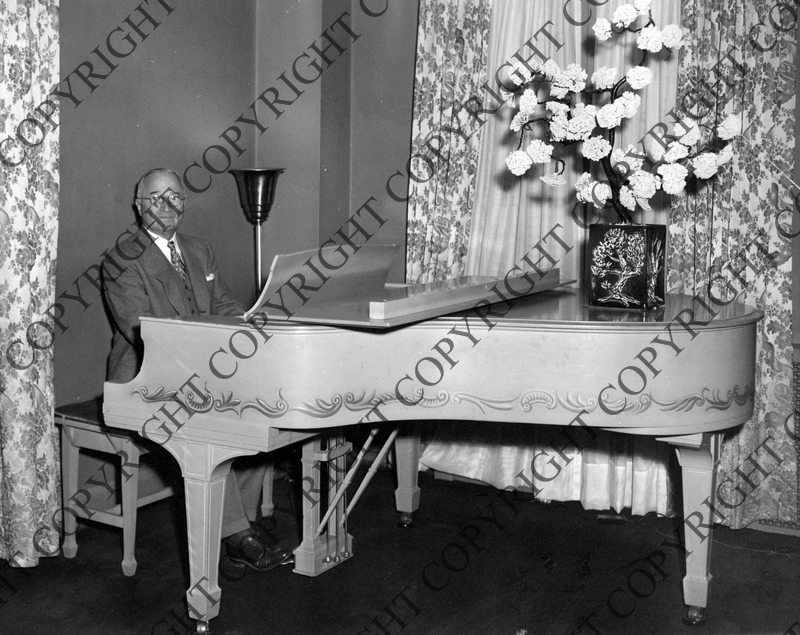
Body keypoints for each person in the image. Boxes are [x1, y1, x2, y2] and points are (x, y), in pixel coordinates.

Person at [102, 167, 292, 572]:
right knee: (209, 428)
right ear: (139, 207)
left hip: (204, 373)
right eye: (157, 197)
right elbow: (143, 330)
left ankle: (230, 532)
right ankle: (240, 537)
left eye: (176, 196)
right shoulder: (121, 259)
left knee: (261, 416)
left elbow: (223, 305)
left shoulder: (200, 250)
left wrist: (251, 326)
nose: (167, 204)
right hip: (143, 379)